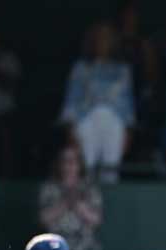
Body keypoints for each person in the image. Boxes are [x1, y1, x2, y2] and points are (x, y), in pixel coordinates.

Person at [60, 22, 136, 183]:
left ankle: (109, 207)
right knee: (86, 170)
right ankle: (86, 207)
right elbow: (71, 100)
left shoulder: (122, 69)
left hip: (115, 121)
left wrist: (128, 132)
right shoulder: (80, 67)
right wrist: (70, 130)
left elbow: (128, 102)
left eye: (107, 37)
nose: (103, 41)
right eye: (99, 37)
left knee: (111, 172)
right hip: (86, 119)